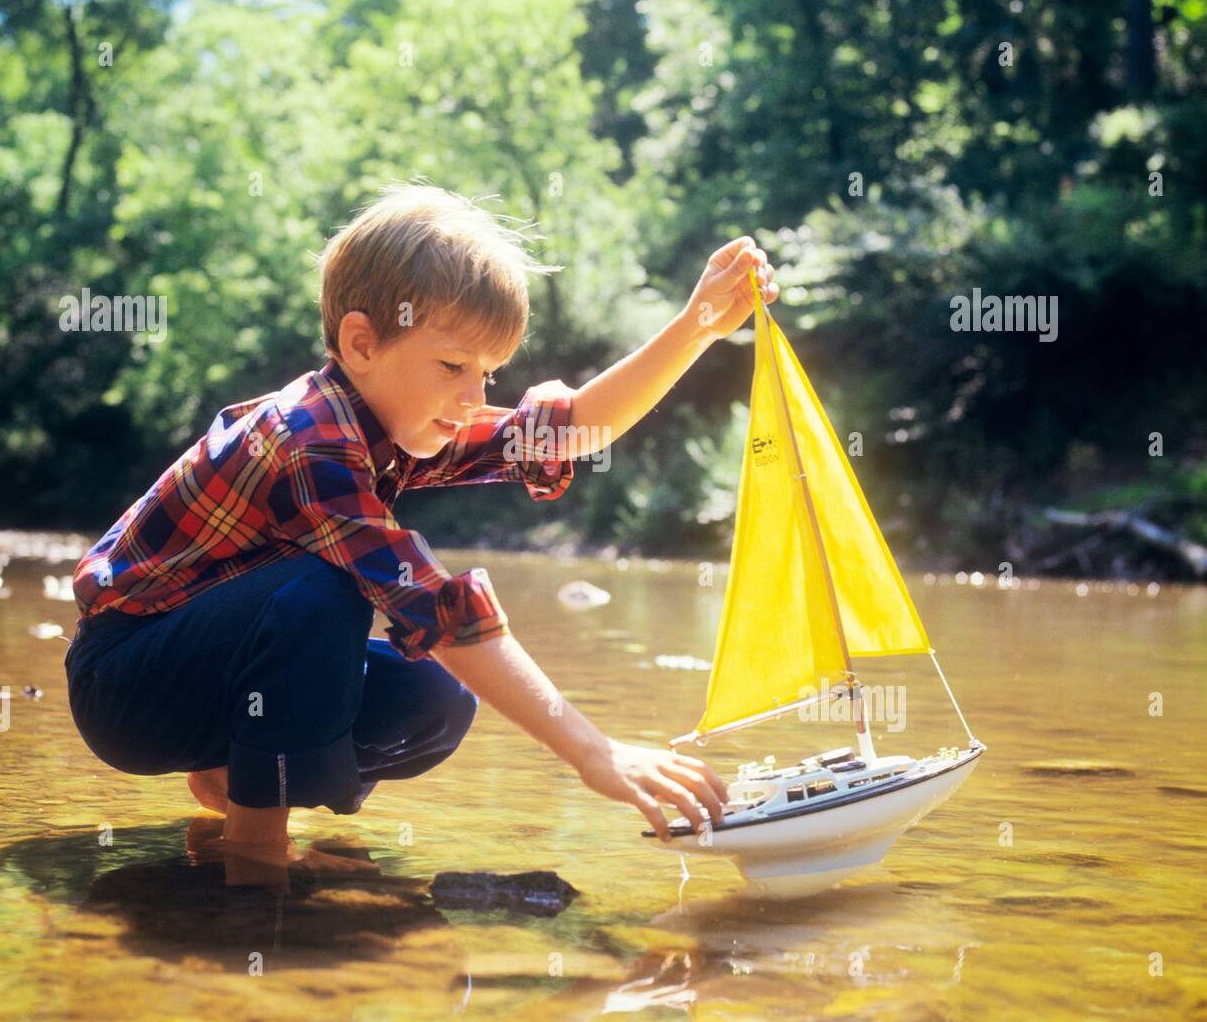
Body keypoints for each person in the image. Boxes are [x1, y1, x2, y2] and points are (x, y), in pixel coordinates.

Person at [63, 183, 778, 869]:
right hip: (127, 686)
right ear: (363, 343)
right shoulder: (310, 441)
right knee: (324, 590)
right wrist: (595, 752)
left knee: (433, 700)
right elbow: (430, 605)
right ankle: (256, 854)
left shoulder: (398, 419)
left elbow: (567, 433)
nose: (475, 397)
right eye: (453, 365)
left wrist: (698, 327)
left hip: (203, 676)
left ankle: (232, 778)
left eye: (490, 373)